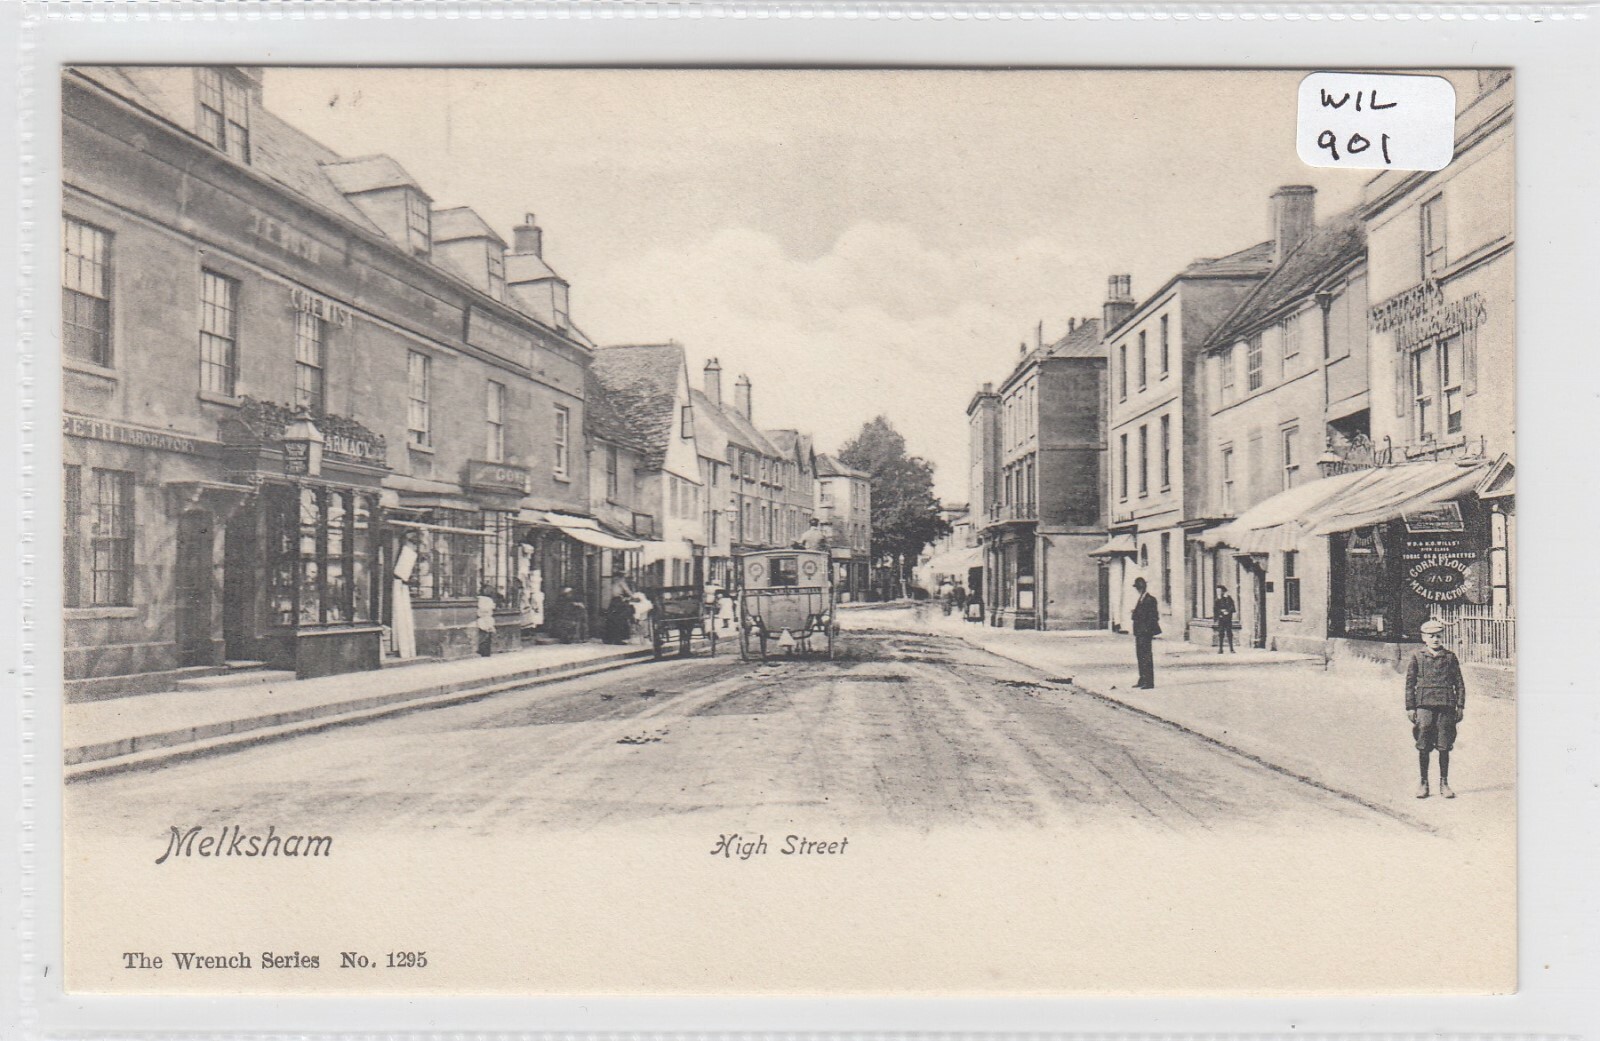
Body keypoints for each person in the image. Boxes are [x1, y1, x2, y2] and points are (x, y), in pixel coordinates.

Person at [1407, 619, 1467, 799]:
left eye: (1438, 636)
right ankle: (1423, 782)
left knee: (1444, 745)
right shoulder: (1417, 656)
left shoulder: (1450, 657)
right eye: (1431, 636)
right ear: (1424, 638)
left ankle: (1444, 782)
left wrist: (1460, 705)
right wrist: (1410, 707)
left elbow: (1459, 684)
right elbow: (1410, 684)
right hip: (1424, 704)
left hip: (1446, 705)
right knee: (1423, 741)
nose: (1435, 639)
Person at [1130, 576, 1161, 689]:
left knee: (1146, 656)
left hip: (1145, 633)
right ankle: (1142, 679)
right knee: (1140, 656)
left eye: (1138, 588)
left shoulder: (1150, 599)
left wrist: (1148, 630)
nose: (1137, 590)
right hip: (1139, 632)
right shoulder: (1141, 599)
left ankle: (1149, 681)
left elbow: (1154, 617)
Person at [1213, 584, 1237, 654]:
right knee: (1221, 633)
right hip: (1221, 619)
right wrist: (1220, 613)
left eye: (1220, 591)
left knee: (1229, 633)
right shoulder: (1217, 600)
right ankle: (1220, 649)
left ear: (1223, 591)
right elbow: (1215, 609)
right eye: (1217, 591)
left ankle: (1231, 649)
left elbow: (1233, 607)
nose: (1218, 593)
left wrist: (1228, 611)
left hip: (1228, 618)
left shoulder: (1228, 598)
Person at [475, 586, 497, 657]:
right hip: (488, 618)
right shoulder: (489, 600)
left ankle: (482, 650)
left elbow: (479, 609)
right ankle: (486, 652)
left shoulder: (480, 599)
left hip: (482, 619)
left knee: (483, 635)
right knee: (487, 636)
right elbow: (493, 608)